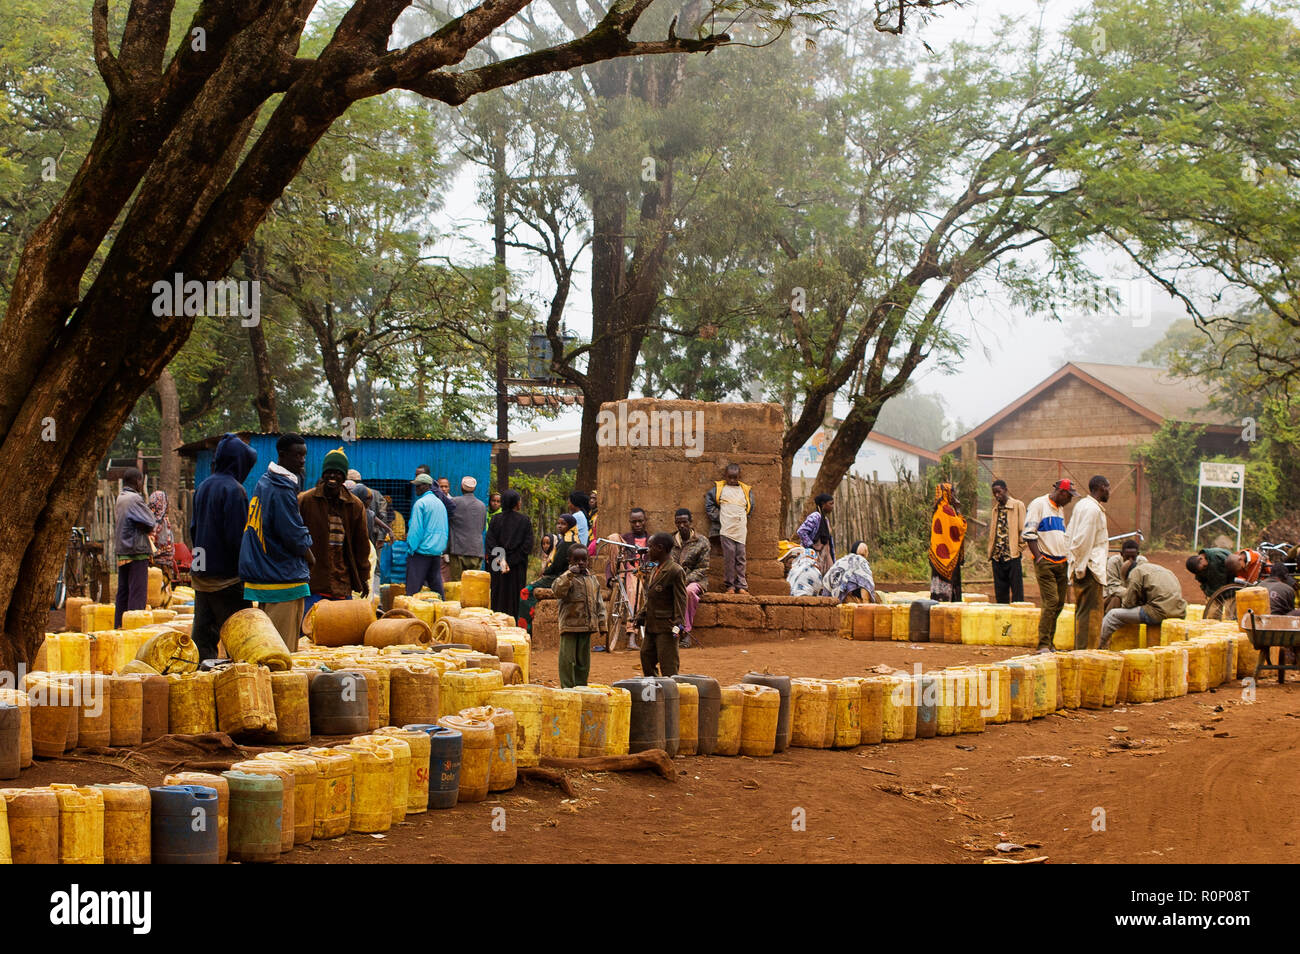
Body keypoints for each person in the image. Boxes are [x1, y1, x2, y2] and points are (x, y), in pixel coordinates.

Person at [239, 434, 314, 650]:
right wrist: (310, 555)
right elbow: (292, 533)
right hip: (282, 578)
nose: (302, 460)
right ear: (282, 455)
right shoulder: (280, 488)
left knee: (267, 648)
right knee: (281, 651)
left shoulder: (265, 482)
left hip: (267, 573)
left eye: (304, 455)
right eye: (297, 455)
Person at [190, 434, 257, 659]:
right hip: (226, 579)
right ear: (239, 462)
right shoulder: (234, 490)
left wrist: (201, 564)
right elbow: (236, 538)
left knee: (203, 638)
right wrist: (247, 571)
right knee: (239, 638)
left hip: (202, 576)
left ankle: (200, 683)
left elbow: (193, 529)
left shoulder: (202, 487)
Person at [298, 447, 371, 604]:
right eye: (329, 471)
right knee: (310, 627)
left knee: (340, 627)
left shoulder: (355, 505)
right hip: (313, 582)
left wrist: (363, 578)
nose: (333, 476)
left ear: (344, 477)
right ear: (323, 474)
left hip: (342, 583)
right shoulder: (305, 501)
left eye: (338, 473)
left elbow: (362, 545)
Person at [1024, 478, 1078, 653]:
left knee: (1060, 603)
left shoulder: (1060, 509)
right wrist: (1038, 557)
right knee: (1051, 601)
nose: (1070, 500)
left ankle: (1050, 642)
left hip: (1061, 561)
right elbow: (1028, 533)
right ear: (1062, 493)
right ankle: (1043, 644)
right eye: (1069, 496)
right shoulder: (1038, 504)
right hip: (1045, 561)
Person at [1098, 557, 1187, 650]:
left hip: (1158, 612)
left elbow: (1128, 603)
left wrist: (1125, 607)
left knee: (1113, 615)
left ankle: (1097, 646)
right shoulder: (1163, 570)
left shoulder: (1136, 572)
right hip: (1179, 611)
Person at [552, 543, 607, 689]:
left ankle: (581, 686)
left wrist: (602, 623)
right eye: (576, 560)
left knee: (583, 662)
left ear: (588, 560)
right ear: (569, 560)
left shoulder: (592, 579)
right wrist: (569, 574)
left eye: (584, 560)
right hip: (570, 626)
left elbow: (599, 603)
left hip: (587, 626)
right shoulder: (566, 578)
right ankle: (567, 687)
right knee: (567, 660)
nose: (580, 563)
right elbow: (557, 590)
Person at [1066, 475, 1110, 650]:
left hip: (1083, 566)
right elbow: (1082, 540)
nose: (1109, 491)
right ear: (1101, 487)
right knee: (1091, 615)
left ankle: (1082, 650)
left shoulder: (1082, 505)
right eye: (1108, 487)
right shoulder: (1092, 509)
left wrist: (1074, 564)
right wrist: (1080, 568)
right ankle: (1086, 654)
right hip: (1089, 569)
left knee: (1083, 612)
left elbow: (1069, 536)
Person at [636, 532, 686, 678]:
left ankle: (670, 694)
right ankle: (655, 691)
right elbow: (651, 597)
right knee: (646, 657)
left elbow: (681, 599)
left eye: (650, 547)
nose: (647, 550)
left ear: (660, 548)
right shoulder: (655, 569)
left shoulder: (675, 571)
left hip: (666, 626)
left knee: (668, 664)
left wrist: (679, 622)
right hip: (651, 624)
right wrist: (642, 615)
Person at [113, 467, 157, 628]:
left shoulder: (121, 497)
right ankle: (134, 629)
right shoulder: (134, 499)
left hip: (123, 550)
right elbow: (151, 522)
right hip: (136, 550)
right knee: (137, 593)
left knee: (123, 592)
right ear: (138, 481)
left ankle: (119, 626)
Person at [603, 507, 649, 652]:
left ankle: (631, 635)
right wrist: (610, 577)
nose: (637, 525)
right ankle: (618, 577)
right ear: (630, 522)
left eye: (640, 521)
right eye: (634, 522)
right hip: (624, 569)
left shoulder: (650, 539)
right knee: (612, 538)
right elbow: (610, 561)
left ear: (645, 521)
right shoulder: (626, 538)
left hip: (640, 574)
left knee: (633, 590)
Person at [704, 463, 753, 595]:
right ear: (725, 476)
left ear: (739, 476)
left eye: (734, 478)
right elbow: (709, 504)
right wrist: (719, 517)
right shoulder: (719, 490)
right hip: (726, 530)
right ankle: (730, 586)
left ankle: (742, 585)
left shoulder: (745, 491)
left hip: (741, 530)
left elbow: (749, 508)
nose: (732, 480)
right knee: (729, 558)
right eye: (729, 477)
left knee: (741, 558)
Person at [485, 489, 533, 623]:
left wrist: (501, 560)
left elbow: (490, 542)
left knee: (497, 595)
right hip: (516, 566)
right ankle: (512, 626)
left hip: (497, 564)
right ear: (516, 503)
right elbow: (526, 546)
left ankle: (496, 624)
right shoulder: (524, 521)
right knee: (514, 596)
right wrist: (510, 562)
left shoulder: (495, 519)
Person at [670, 508, 710, 648]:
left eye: (684, 522)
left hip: (695, 581)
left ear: (690, 522)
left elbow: (703, 568)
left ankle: (686, 633)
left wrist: (684, 580)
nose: (681, 526)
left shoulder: (702, 541)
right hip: (673, 579)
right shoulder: (670, 541)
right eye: (678, 523)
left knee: (688, 593)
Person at [406, 473, 448, 598]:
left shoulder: (421, 504)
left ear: (424, 486)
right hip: (436, 552)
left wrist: (411, 548)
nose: (416, 489)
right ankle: (444, 612)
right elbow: (444, 529)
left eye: (417, 486)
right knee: (437, 588)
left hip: (421, 552)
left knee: (412, 591)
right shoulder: (440, 504)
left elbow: (416, 530)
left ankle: (410, 616)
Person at [987, 479, 1027, 603]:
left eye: (999, 492)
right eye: (994, 493)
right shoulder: (995, 510)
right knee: (1000, 592)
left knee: (1017, 592)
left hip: (1012, 556)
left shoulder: (1017, 505)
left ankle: (1018, 616)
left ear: (1005, 490)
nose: (997, 495)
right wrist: (992, 553)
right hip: (997, 557)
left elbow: (1024, 529)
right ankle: (1002, 617)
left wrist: (1019, 548)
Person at [928, 483, 967, 603]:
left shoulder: (937, 510)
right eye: (953, 493)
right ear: (947, 493)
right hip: (948, 558)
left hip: (937, 557)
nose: (954, 496)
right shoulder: (947, 510)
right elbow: (961, 527)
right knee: (949, 588)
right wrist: (958, 508)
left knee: (938, 586)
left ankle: (938, 605)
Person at [446, 476, 487, 581]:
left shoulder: (454, 502)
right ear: (474, 488)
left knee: (458, 585)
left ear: (461, 487)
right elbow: (482, 528)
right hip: (476, 551)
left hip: (458, 550)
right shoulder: (482, 506)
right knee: (473, 585)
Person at [797, 493, 836, 576]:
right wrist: (810, 548)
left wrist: (833, 559)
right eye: (830, 504)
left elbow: (829, 542)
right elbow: (801, 531)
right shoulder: (815, 517)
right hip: (813, 557)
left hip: (825, 558)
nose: (832, 506)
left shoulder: (825, 520)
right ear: (823, 504)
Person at [1105, 539, 1145, 613]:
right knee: (1116, 599)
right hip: (1114, 595)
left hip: (1134, 595)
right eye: (1127, 557)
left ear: (1138, 554)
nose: (1130, 560)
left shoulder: (1142, 562)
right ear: (1121, 554)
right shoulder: (1113, 562)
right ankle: (1107, 621)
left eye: (1133, 557)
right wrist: (1130, 594)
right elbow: (1112, 587)